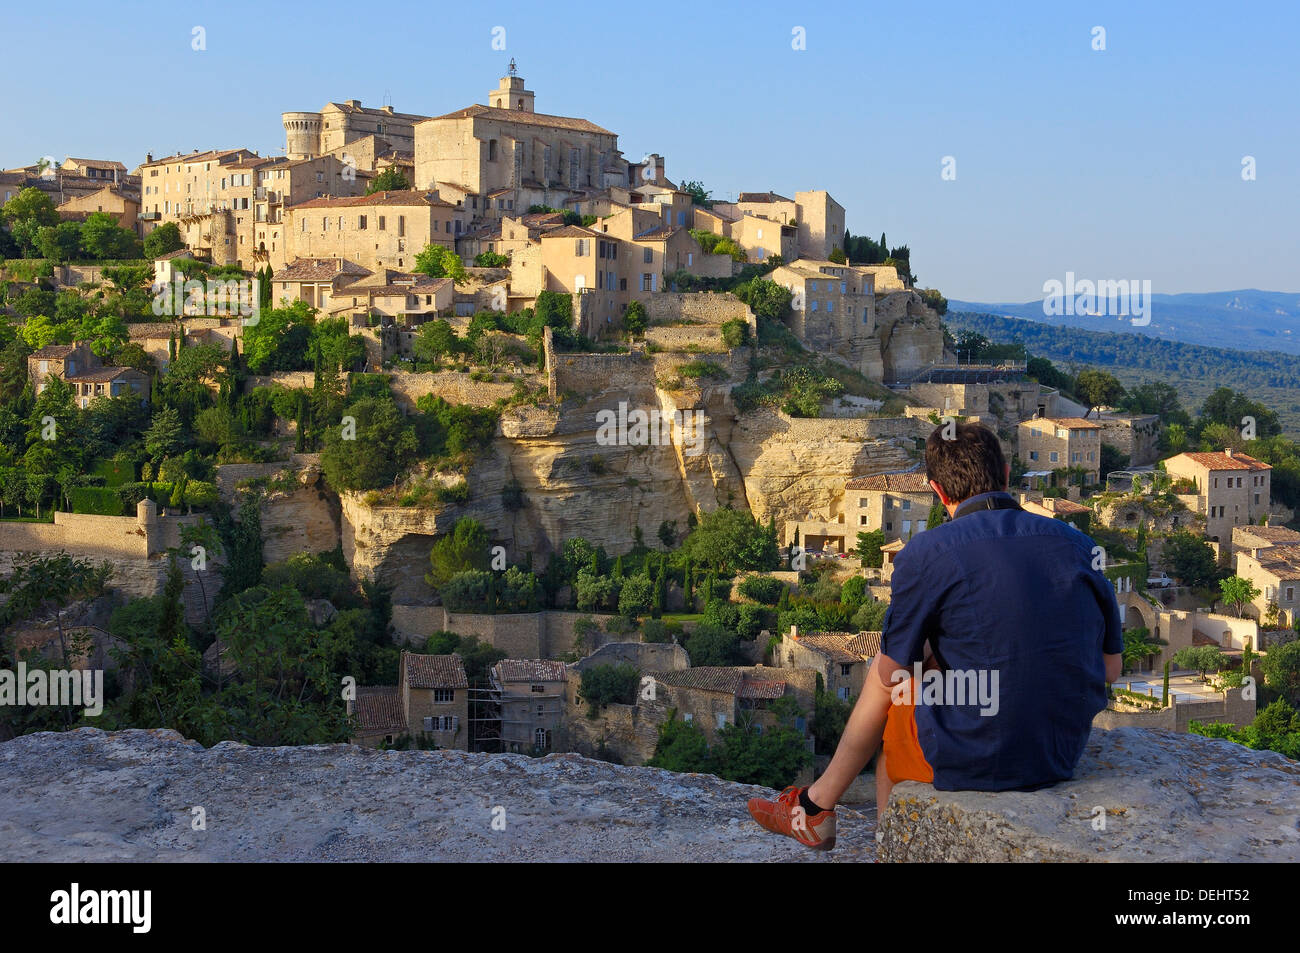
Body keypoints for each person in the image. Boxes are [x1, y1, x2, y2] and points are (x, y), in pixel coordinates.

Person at [747, 422, 1123, 851]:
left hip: (980, 756)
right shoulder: (1079, 545)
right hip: (1059, 754)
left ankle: (823, 813)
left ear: (937, 492)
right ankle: (815, 808)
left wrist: (923, 661)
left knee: (891, 699)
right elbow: (1110, 668)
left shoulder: (927, 552)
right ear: (1004, 474)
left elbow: (891, 674)